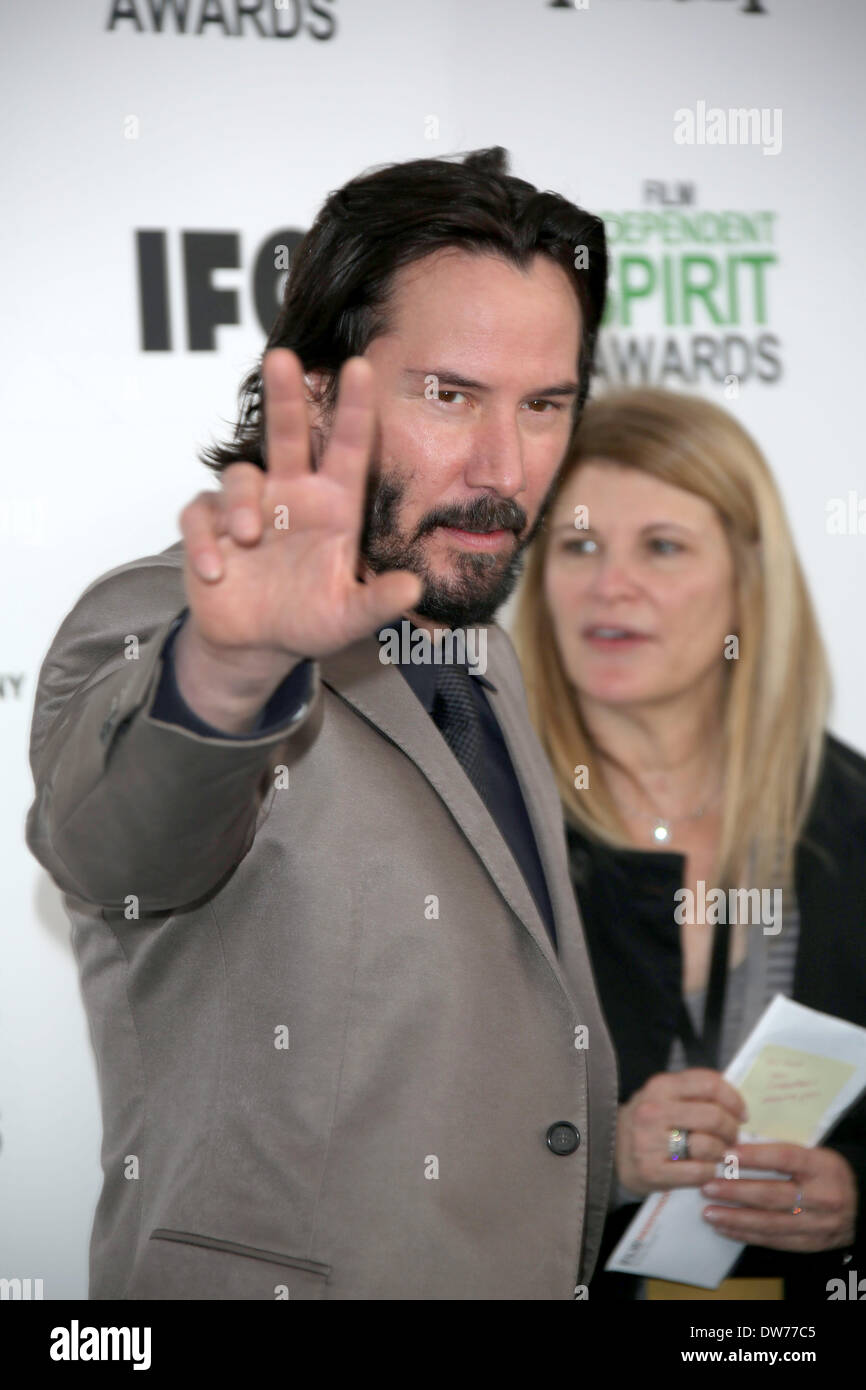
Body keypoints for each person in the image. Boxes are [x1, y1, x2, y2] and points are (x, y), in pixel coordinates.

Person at [25, 147, 618, 1301]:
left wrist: (611, 1144)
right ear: (319, 393)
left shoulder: (478, 651)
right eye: (448, 395)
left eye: (545, 406)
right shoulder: (167, 622)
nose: (503, 468)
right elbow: (117, 852)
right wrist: (232, 667)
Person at [513, 386, 866, 1300]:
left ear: (750, 580)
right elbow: (385, 1135)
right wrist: (595, 1157)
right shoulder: (482, 823)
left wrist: (863, 1195)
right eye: (579, 545)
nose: (608, 584)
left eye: (661, 547)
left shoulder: (854, 820)